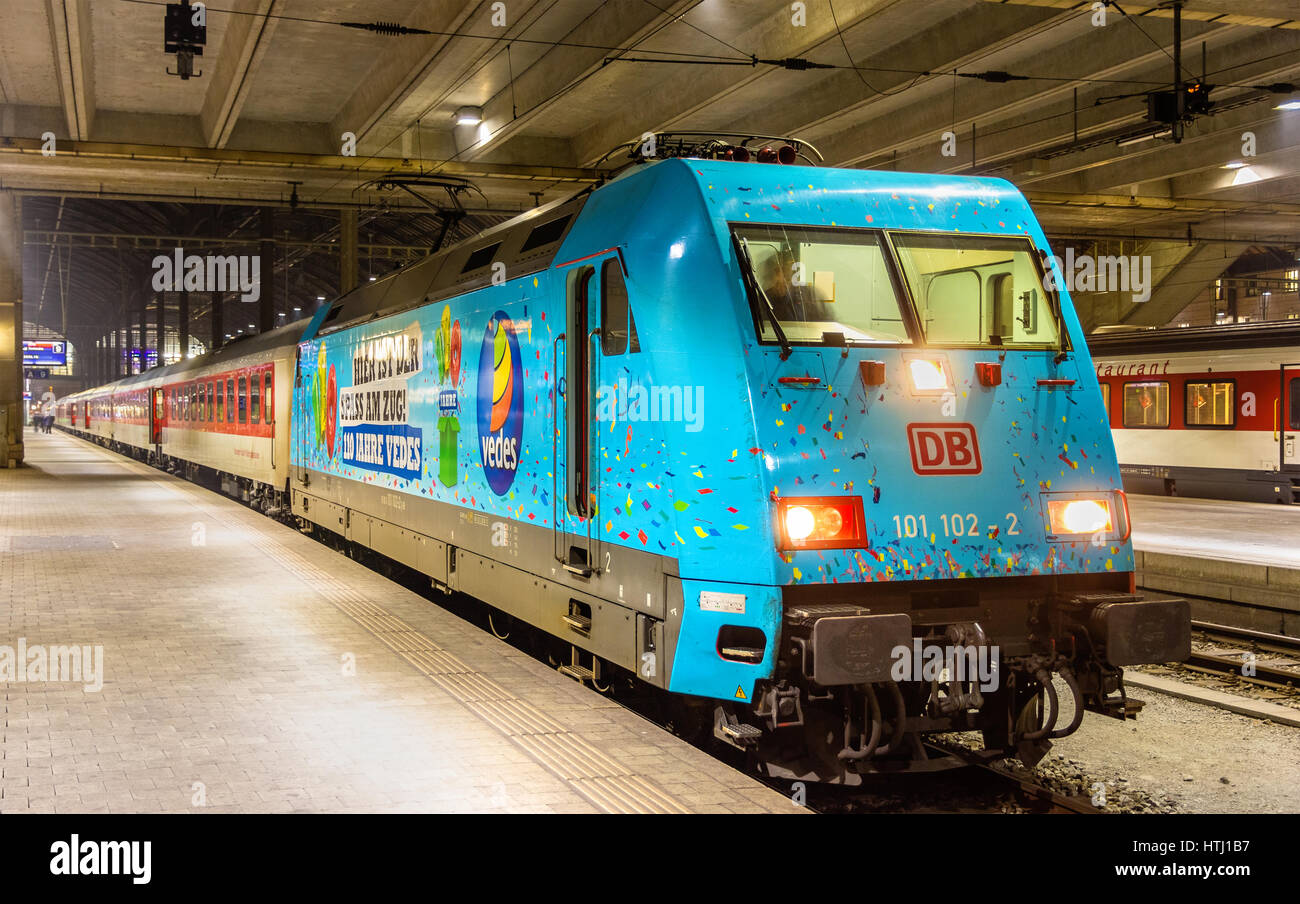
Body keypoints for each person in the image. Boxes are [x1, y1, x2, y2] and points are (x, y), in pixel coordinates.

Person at [758, 249, 833, 323]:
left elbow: (828, 328)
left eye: (785, 272)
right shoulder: (763, 300)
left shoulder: (810, 295)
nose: (779, 279)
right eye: (775, 273)